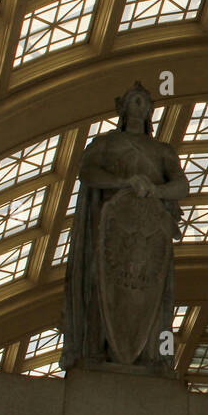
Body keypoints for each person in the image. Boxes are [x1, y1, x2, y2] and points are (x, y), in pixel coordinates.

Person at [60, 82, 188, 371]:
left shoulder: (162, 150)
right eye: (134, 100)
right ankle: (96, 348)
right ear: (122, 107)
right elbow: (88, 172)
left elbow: (181, 185)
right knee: (101, 282)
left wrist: (154, 192)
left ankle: (151, 354)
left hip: (151, 232)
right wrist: (124, 183)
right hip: (111, 228)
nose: (140, 105)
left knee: (153, 290)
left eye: (145, 101)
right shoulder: (105, 143)